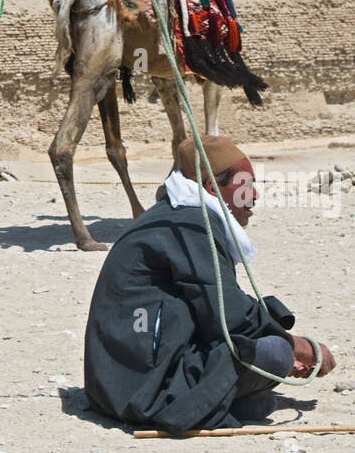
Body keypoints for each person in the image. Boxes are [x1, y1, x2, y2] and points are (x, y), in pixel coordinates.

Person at [83, 135, 336, 432]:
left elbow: (208, 304)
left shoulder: (178, 214)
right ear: (210, 187)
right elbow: (225, 314)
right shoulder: (191, 222)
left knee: (264, 359)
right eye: (245, 184)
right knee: (275, 354)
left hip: (113, 387)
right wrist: (297, 346)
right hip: (143, 390)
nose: (253, 196)